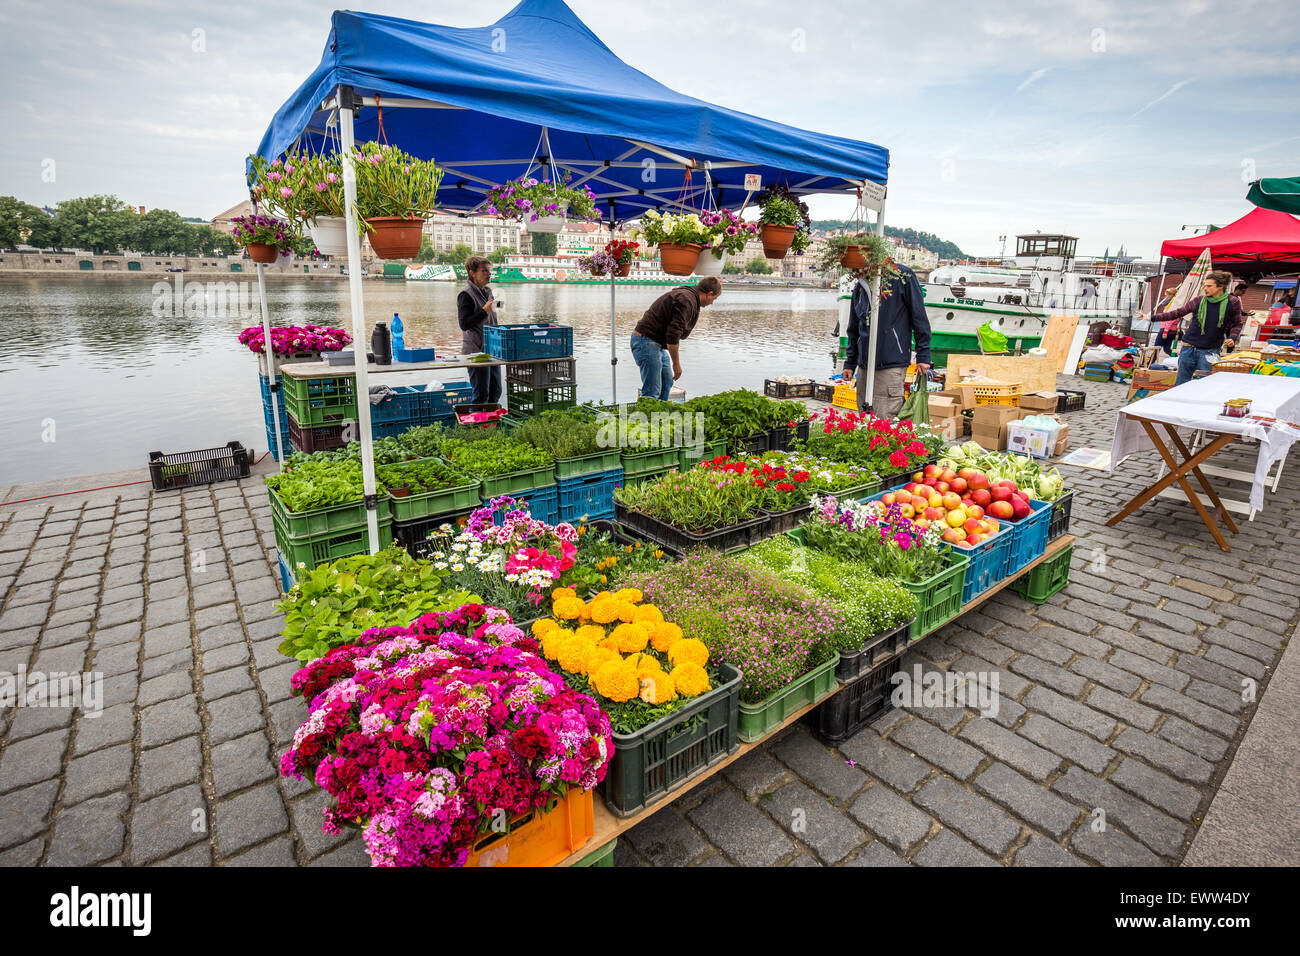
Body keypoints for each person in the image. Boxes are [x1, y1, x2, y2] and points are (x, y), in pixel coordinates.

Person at [843, 263, 932, 418]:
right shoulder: (860, 286)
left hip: (891, 362)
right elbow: (854, 328)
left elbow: (919, 317)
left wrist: (923, 356)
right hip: (864, 365)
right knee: (864, 416)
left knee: (885, 417)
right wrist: (850, 363)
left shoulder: (902, 275)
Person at [1137, 270, 1243, 386]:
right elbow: (1176, 313)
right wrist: (1150, 317)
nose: (1205, 289)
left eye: (1209, 286)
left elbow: (1237, 323)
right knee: (1182, 383)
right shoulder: (1198, 300)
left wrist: (1232, 337)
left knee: (1205, 384)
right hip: (1188, 348)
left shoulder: (1233, 302)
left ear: (1220, 287)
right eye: (1205, 285)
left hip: (1210, 350)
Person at [630, 277, 722, 401]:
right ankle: (646, 416)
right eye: (714, 298)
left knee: (667, 381)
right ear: (709, 294)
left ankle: (659, 413)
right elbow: (673, 337)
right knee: (652, 390)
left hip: (656, 343)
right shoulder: (687, 300)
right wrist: (676, 364)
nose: (712, 302)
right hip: (646, 341)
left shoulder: (690, 297)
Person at [458, 256, 502, 405]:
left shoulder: (488, 291)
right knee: (481, 394)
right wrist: (484, 311)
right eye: (484, 271)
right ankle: (477, 426)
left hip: (492, 350)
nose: (489, 273)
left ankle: (491, 425)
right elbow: (464, 324)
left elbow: (490, 317)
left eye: (489, 270)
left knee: (496, 391)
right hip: (476, 352)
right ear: (472, 273)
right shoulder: (465, 294)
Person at [1154, 284, 1180, 355]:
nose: (1165, 297)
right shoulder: (1175, 305)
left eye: (1166, 295)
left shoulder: (1172, 306)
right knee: (1167, 349)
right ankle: (1177, 360)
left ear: (1171, 295)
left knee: (1156, 348)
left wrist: (1165, 331)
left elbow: (1170, 320)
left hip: (1166, 330)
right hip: (1172, 331)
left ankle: (1149, 363)